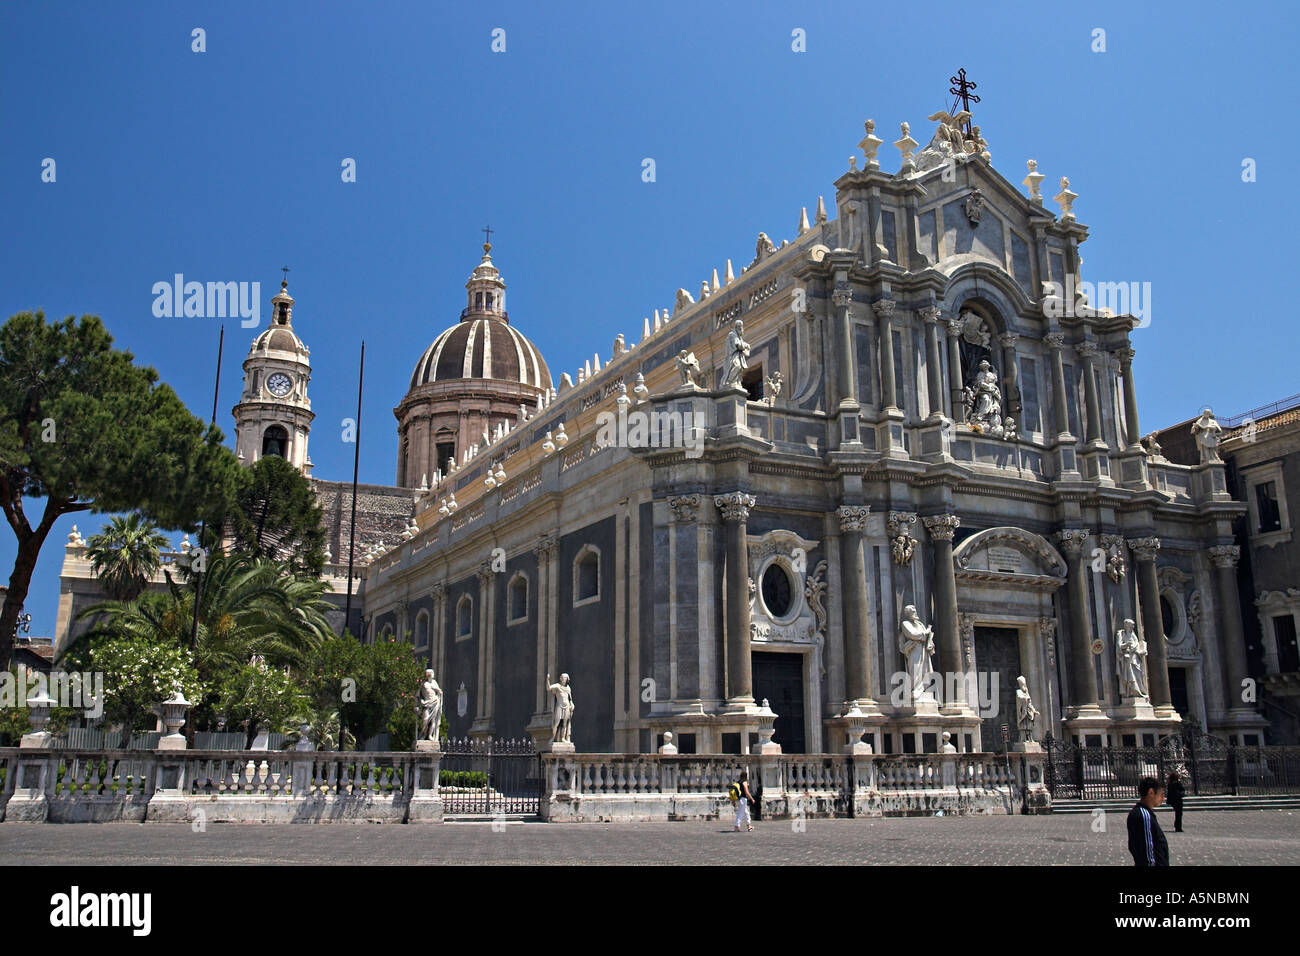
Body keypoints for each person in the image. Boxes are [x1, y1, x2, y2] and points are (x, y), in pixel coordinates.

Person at [1127, 777, 1169, 866]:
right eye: (1161, 794)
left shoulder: (1142, 813)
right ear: (1151, 792)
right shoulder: (1144, 815)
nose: (1163, 798)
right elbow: (1147, 850)